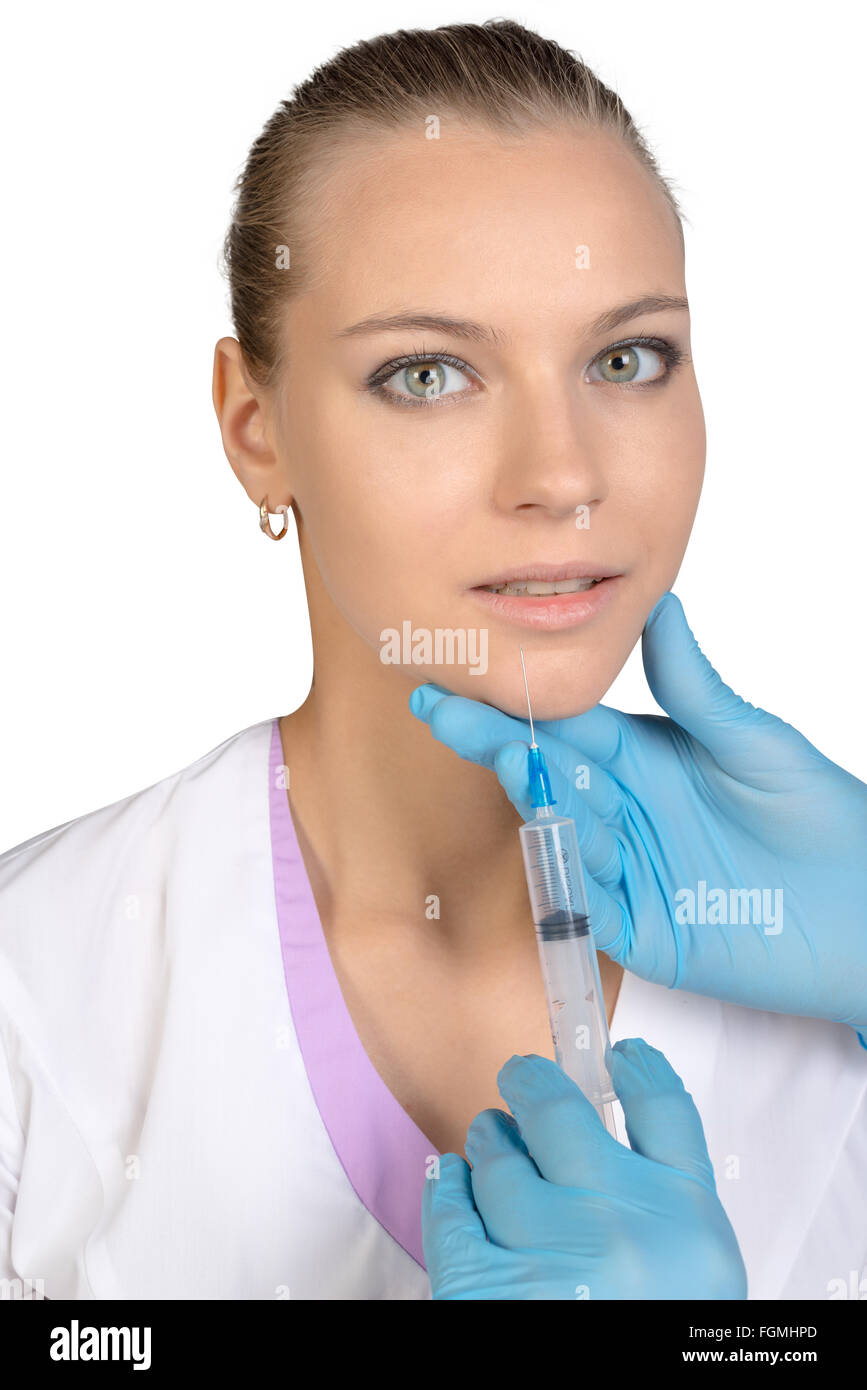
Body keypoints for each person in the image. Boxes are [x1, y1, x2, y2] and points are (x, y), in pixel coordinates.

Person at [0, 20, 863, 1302]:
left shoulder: (829, 958)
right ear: (255, 427)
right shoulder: (39, 989)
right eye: (427, 373)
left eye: (627, 359)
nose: (564, 476)